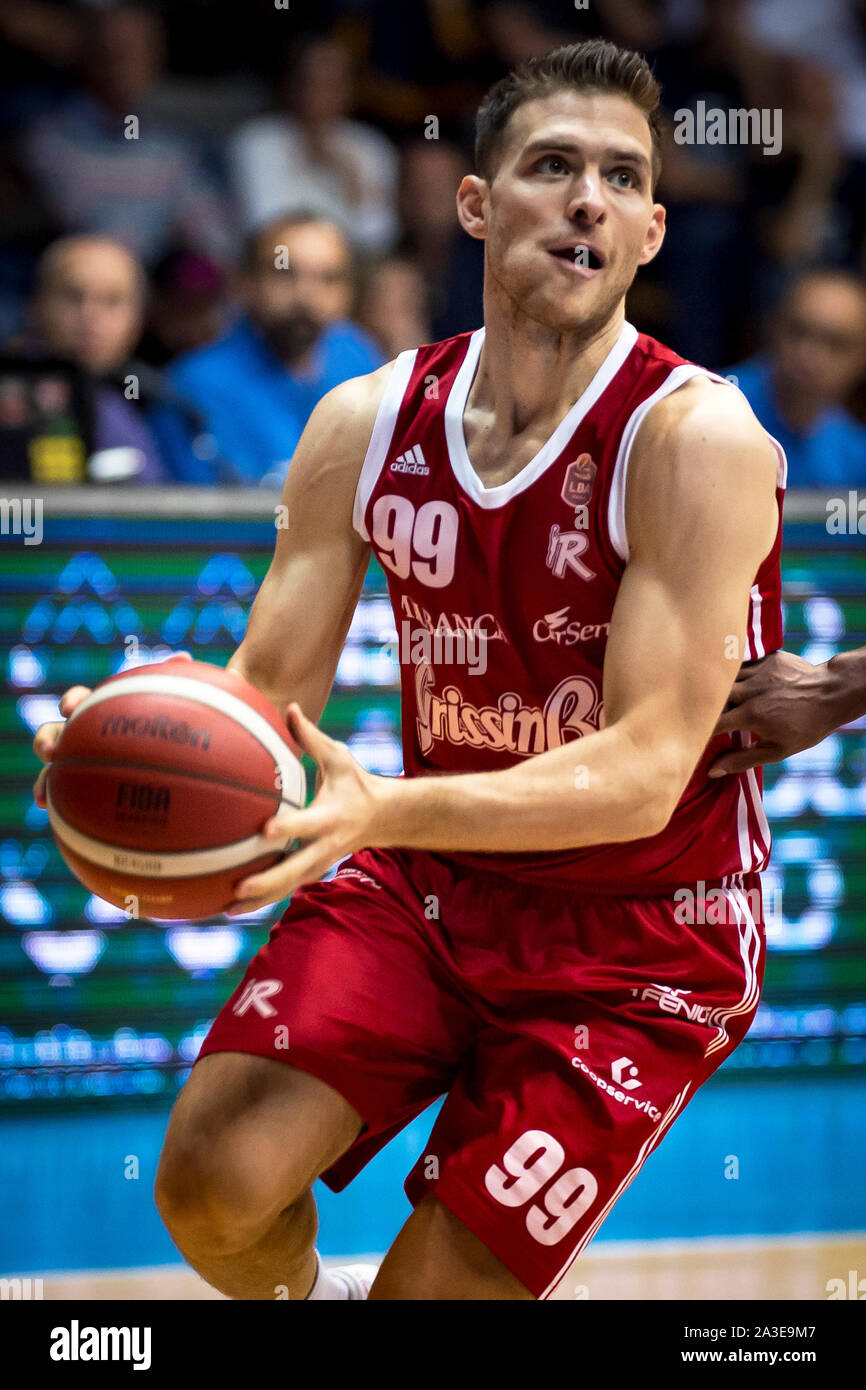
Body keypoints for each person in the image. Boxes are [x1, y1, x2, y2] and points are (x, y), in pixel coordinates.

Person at [35, 40, 788, 1301]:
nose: (586, 199)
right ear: (477, 205)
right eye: (552, 166)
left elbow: (643, 773)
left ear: (652, 231)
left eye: (619, 177)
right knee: (209, 1183)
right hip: (429, 879)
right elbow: (269, 699)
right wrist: (137, 754)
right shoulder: (362, 422)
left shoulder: (693, 436)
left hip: (641, 938)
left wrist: (375, 809)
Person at [149, 214, 385, 485]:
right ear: (247, 283)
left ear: (349, 293)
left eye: (328, 278)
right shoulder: (192, 387)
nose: (306, 296)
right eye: (285, 274)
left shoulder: (357, 357)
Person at [20, 4, 234, 268]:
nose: (124, 62)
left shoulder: (178, 146)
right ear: (87, 54)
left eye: (138, 50)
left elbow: (215, 242)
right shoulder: (47, 139)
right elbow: (89, 228)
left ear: (157, 58)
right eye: (112, 49)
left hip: (155, 295)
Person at [228, 37, 399, 255]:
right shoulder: (256, 141)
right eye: (310, 80)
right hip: (279, 265)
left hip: (350, 274)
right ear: (290, 83)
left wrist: (348, 180)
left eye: (333, 82)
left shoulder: (371, 146)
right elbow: (263, 226)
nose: (320, 92)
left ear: (350, 89)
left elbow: (378, 236)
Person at [17, 234, 167, 482]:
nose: (90, 316)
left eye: (112, 301)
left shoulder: (155, 395)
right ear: (37, 306)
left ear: (139, 318)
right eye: (74, 297)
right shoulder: (13, 397)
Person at [727, 269, 866, 487]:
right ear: (772, 327)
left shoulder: (854, 454)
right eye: (798, 331)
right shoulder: (713, 404)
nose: (811, 355)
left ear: (861, 359)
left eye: (837, 343)